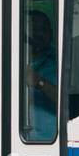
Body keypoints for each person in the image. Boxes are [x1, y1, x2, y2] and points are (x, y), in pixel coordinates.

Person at [23, 9, 58, 141]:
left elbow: (70, 104)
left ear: (51, 33)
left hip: (52, 148)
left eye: (43, 28)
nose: (38, 33)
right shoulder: (11, 65)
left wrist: (39, 82)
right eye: (33, 28)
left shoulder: (62, 63)